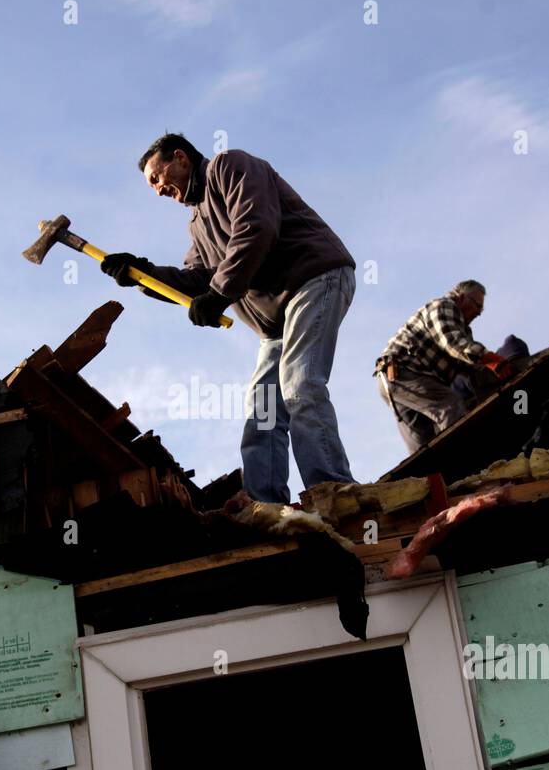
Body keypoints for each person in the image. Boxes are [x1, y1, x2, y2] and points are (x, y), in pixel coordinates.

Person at [100, 132, 357, 504]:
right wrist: (141, 274)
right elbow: (197, 280)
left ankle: (334, 491)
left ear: (181, 158)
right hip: (275, 323)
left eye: (157, 177)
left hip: (312, 279)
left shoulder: (229, 166)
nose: (157, 190)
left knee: (300, 385)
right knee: (263, 412)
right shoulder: (198, 224)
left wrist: (220, 294)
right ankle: (266, 506)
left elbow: (255, 226)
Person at [375, 281, 513, 453]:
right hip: (405, 373)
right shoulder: (444, 306)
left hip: (394, 381)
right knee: (450, 405)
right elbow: (453, 343)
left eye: (481, 309)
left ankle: (431, 476)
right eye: (477, 305)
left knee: (424, 445)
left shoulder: (462, 328)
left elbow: (467, 366)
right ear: (462, 298)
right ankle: (461, 467)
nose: (478, 312)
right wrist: (490, 359)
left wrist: (494, 373)